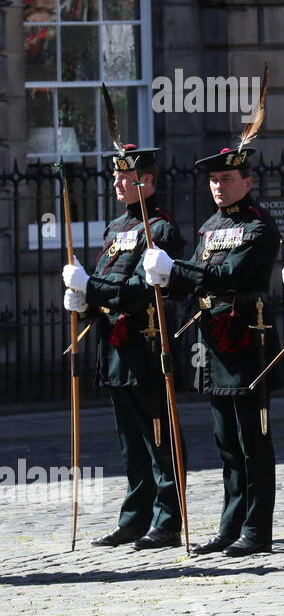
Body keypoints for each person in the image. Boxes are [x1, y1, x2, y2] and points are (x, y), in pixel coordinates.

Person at [143, 142, 281, 556]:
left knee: (252, 441)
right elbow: (200, 277)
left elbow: (224, 274)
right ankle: (231, 523)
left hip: (246, 342)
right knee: (226, 442)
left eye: (227, 179)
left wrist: (176, 270)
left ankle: (257, 529)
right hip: (214, 343)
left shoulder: (259, 226)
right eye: (214, 180)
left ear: (247, 181)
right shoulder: (209, 226)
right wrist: (168, 280)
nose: (219, 186)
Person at [63, 143, 186, 550]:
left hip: (145, 346)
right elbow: (106, 284)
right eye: (114, 176)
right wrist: (83, 303)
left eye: (124, 177)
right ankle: (134, 518)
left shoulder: (162, 229)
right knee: (130, 442)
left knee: (159, 437)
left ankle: (167, 521)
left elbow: (138, 292)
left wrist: (93, 287)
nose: (116, 182)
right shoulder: (116, 229)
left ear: (146, 180)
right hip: (115, 349)